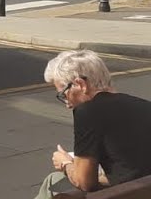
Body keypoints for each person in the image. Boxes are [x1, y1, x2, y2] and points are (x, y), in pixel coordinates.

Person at [33, 49, 151, 198]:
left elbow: (85, 182)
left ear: (80, 84)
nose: (67, 104)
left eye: (64, 94)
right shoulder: (144, 105)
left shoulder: (87, 112)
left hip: (126, 194)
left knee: (53, 181)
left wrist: (65, 163)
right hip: (139, 189)